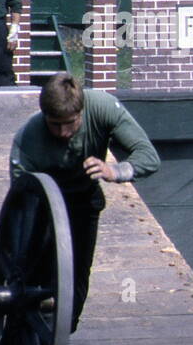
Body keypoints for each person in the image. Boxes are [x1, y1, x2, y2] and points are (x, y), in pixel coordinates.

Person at [10, 73, 161, 331]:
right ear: (43, 115)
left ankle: (61, 329)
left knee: (77, 278)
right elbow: (19, 204)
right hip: (42, 203)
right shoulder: (28, 140)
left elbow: (149, 158)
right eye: (55, 124)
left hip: (83, 200)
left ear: (82, 111)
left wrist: (116, 171)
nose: (63, 132)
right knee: (33, 263)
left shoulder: (102, 106)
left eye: (70, 123)